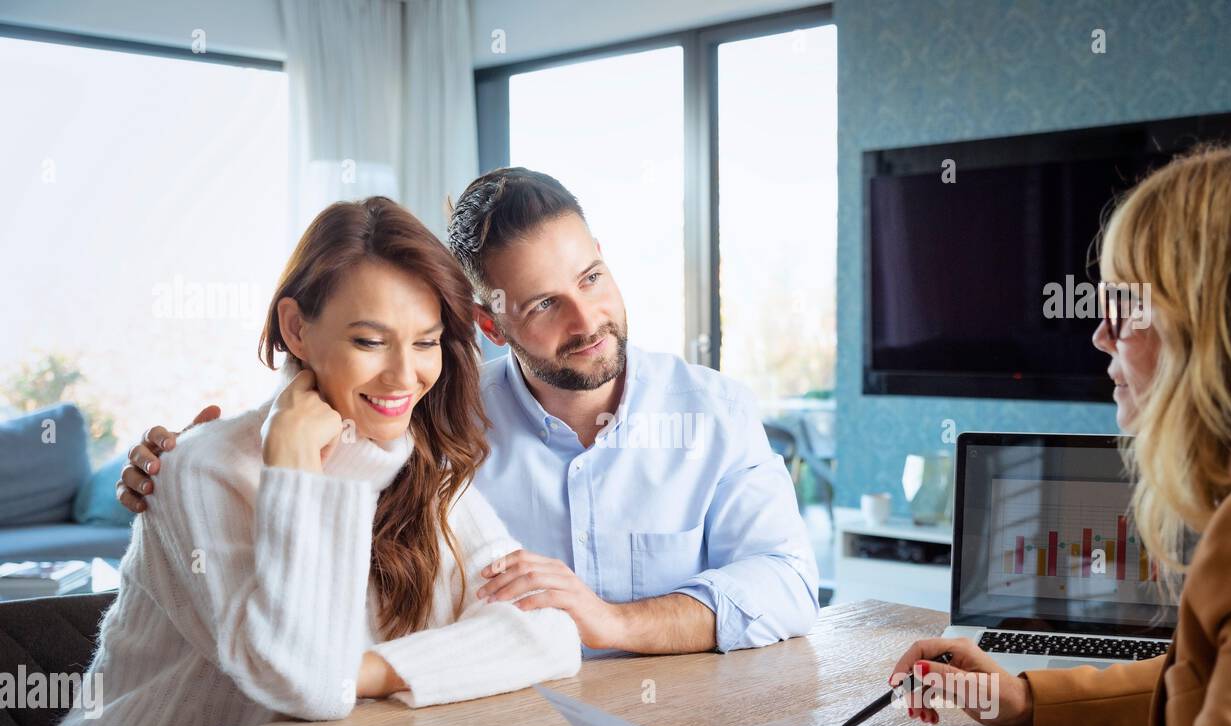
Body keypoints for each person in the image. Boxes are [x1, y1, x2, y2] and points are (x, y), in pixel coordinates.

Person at [670, 141, 1231, 726]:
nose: (1099, 335)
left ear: (1220, 325)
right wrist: (1027, 701)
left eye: (1125, 309)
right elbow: (1208, 678)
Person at [117, 169, 820, 657]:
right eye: (544, 303)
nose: (587, 319)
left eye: (590, 279)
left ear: (604, 260)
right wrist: (177, 466)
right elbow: (311, 432)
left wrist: (610, 622)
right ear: (489, 324)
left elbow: (788, 584)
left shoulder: (715, 410)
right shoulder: (439, 416)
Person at [46, 197, 580, 726]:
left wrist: (361, 672)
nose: (405, 376)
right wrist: (295, 462)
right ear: (297, 329)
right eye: (370, 342)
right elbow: (304, 682)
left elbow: (547, 630)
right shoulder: (198, 471)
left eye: (425, 342)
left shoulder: (420, 462)